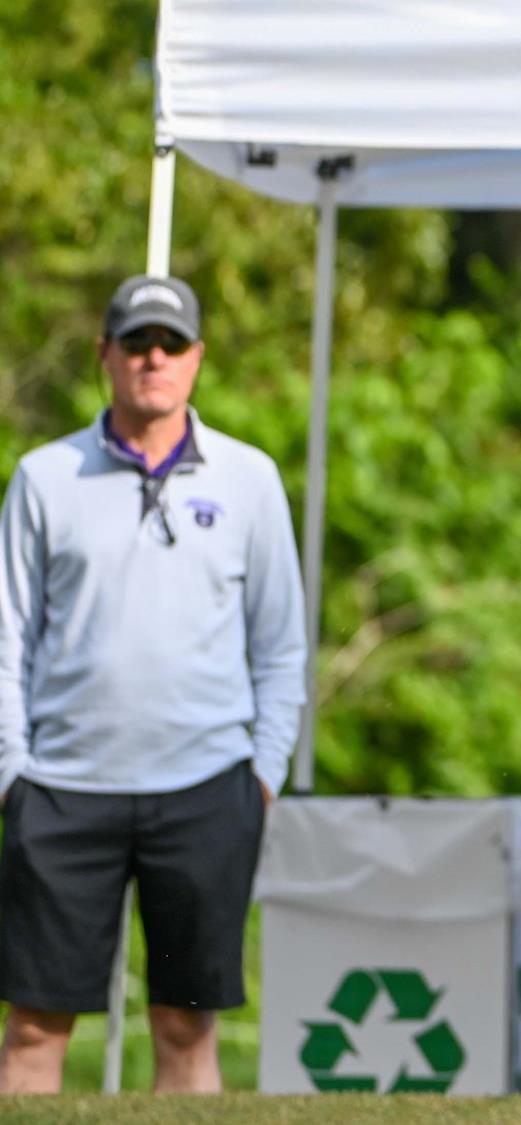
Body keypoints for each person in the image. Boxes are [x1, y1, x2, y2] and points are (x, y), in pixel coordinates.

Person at [0, 275, 307, 1093]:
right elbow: (7, 635)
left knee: (186, 1023)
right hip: (62, 789)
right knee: (33, 1025)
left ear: (198, 358)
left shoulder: (250, 479)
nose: (154, 358)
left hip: (207, 788)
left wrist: (262, 775)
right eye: (136, 342)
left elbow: (281, 642)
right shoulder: (42, 477)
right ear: (105, 354)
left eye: (171, 343)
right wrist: (13, 775)